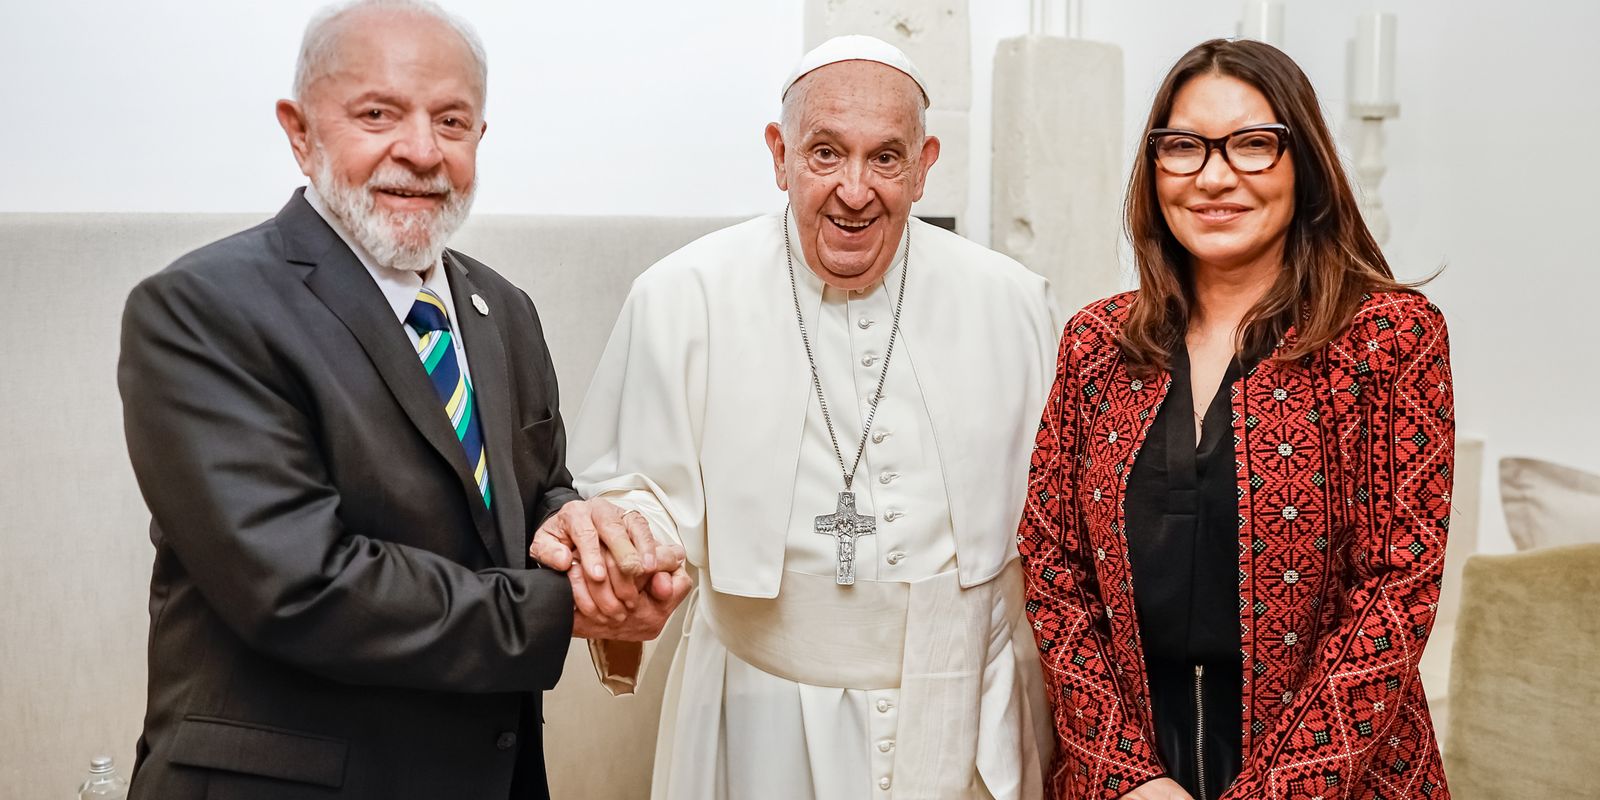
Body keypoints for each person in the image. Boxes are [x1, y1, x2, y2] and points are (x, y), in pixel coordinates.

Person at [116, 2, 688, 798]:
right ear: (299, 129)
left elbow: (530, 491)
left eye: (452, 121)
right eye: (378, 114)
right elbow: (302, 588)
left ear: (480, 139)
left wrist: (583, 537)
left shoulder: (503, 309)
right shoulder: (201, 310)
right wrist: (562, 610)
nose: (421, 152)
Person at [531, 35, 1058, 800]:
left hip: (966, 712)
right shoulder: (684, 296)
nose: (855, 189)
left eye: (885, 157)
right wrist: (631, 542)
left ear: (924, 163)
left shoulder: (1014, 302)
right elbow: (637, 489)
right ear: (778, 154)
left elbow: (1061, 526)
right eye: (824, 153)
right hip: (759, 717)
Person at [1018, 38, 1454, 800]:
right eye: (1183, 147)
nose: (1215, 176)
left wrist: (1279, 790)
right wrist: (1126, 775)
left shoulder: (1388, 336)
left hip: (1340, 780)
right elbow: (1053, 567)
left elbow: (1397, 586)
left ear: (1304, 164)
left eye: (1253, 145)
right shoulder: (1096, 344)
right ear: (1155, 170)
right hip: (1125, 782)